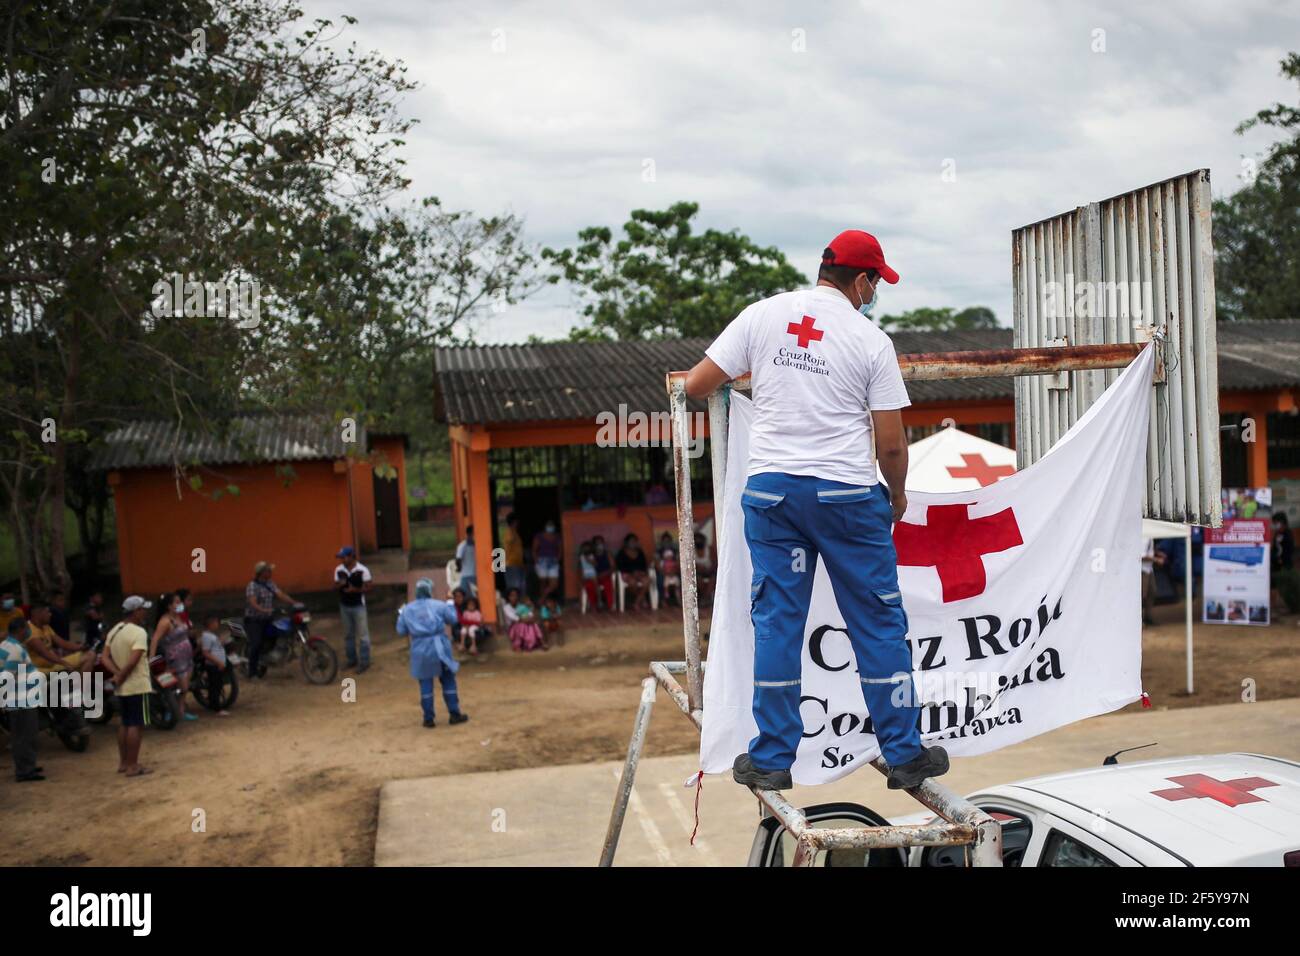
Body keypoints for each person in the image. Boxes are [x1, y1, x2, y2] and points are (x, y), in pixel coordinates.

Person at [685, 227, 948, 792]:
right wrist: (896, 496)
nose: (875, 292)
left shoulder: (763, 314)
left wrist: (763, 371)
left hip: (772, 495)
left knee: (778, 623)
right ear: (859, 280)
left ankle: (773, 758)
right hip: (846, 500)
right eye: (875, 281)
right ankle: (903, 755)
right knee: (877, 624)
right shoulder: (870, 339)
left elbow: (697, 385)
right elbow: (893, 444)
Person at [395, 579, 469, 728]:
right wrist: (449, 604)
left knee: (425, 682)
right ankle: (454, 714)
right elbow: (453, 619)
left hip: (420, 649)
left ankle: (428, 718)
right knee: (448, 679)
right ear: (430, 591)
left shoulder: (407, 609)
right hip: (439, 646)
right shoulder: (439, 605)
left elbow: (401, 631)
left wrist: (401, 615)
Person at [103, 596, 153, 776]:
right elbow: (134, 660)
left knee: (124, 723)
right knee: (136, 725)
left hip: (122, 687)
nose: (145, 612)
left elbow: (104, 657)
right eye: (143, 609)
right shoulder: (139, 633)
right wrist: (122, 675)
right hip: (137, 684)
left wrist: (116, 674)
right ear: (136, 611)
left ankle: (124, 762)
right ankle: (133, 765)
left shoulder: (114, 630)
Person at [1, 617, 44, 782]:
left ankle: (27, 765)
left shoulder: (5, 645)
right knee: (26, 736)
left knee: (21, 736)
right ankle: (25, 771)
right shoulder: (16, 650)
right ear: (20, 630)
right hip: (21, 699)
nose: (28, 632)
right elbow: (8, 676)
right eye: (26, 628)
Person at [244, 561, 295, 680]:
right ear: (261, 573)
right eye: (268, 571)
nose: (271, 572)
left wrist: (294, 602)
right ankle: (252, 673)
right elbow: (252, 602)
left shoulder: (270, 583)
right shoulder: (252, 585)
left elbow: (280, 594)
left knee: (282, 632)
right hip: (254, 620)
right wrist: (263, 609)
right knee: (256, 644)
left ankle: (275, 656)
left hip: (268, 618)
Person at [151, 592, 196, 722]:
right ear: (168, 606)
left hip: (186, 656)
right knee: (179, 687)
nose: (180, 604)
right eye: (176, 602)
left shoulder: (179, 617)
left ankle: (180, 711)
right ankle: (169, 711)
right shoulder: (165, 622)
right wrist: (152, 660)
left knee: (184, 688)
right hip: (175, 658)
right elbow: (155, 640)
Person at [24, 600, 93, 673]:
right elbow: (45, 654)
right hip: (40, 670)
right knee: (73, 666)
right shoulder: (29, 630)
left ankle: (81, 684)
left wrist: (80, 647)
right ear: (38, 614)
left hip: (54, 664)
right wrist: (64, 663)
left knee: (90, 654)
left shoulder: (45, 626)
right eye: (47, 612)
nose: (50, 614)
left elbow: (63, 643)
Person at [334, 546, 373, 674]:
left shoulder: (362, 570)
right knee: (348, 635)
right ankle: (351, 660)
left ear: (351, 556)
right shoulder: (338, 570)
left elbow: (369, 587)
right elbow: (334, 585)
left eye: (344, 557)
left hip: (358, 605)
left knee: (363, 636)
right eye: (341, 557)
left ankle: (364, 661)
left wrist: (355, 590)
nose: (342, 560)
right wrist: (338, 586)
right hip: (344, 605)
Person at [198, 614, 232, 716]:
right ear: (211, 624)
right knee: (215, 686)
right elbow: (206, 652)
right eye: (216, 622)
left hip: (217, 664)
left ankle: (214, 704)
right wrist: (218, 662)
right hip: (214, 664)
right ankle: (216, 707)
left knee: (217, 685)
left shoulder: (211, 636)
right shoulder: (207, 637)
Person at [1271, 512, 1298, 614]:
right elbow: (1275, 548)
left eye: (1276, 523)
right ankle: (1273, 607)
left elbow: (1288, 551)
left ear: (1282, 522)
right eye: (1274, 523)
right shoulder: (1277, 534)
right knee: (1273, 584)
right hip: (1276, 565)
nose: (1275, 525)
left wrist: (1281, 561)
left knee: (1285, 587)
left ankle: (1291, 606)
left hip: (1285, 565)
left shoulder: (1288, 534)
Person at [616, 534, 651, 610]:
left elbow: (644, 564)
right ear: (627, 542)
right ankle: (643, 599)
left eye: (635, 541)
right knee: (632, 583)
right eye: (631, 541)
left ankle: (636, 602)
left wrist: (641, 572)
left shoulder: (640, 552)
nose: (633, 543)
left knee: (647, 581)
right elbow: (620, 566)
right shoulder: (621, 553)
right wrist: (632, 572)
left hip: (639, 573)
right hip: (627, 574)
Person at [532, 521, 561, 600]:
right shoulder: (539, 536)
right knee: (543, 583)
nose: (550, 527)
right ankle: (544, 602)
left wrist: (558, 559)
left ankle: (541, 599)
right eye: (549, 525)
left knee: (554, 584)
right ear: (545, 526)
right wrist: (536, 561)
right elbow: (534, 549)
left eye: (552, 525)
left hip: (553, 561)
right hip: (541, 561)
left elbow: (559, 549)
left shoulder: (556, 536)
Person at [502, 512, 528, 595]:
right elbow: (507, 547)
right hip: (511, 563)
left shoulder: (514, 532)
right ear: (514, 522)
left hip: (517, 563)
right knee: (514, 587)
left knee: (520, 585)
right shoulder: (510, 533)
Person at [591, 537, 615, 610]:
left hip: (606, 574)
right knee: (590, 584)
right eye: (597, 543)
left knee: (608, 583)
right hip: (594, 576)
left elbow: (613, 567)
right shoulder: (591, 555)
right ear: (594, 545)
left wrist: (605, 573)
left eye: (601, 543)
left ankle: (610, 604)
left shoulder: (607, 553)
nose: (599, 545)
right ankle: (595, 604)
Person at [657, 532, 681, 607]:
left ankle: (679, 600)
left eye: (668, 541)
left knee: (682, 579)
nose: (666, 543)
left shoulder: (676, 552)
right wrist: (666, 573)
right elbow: (658, 566)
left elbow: (679, 564)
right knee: (660, 579)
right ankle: (663, 600)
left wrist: (674, 572)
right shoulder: (658, 552)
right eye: (665, 541)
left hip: (674, 572)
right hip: (663, 572)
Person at [455, 526, 477, 595]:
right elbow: (458, 559)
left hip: (475, 575)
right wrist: (459, 568)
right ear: (469, 534)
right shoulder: (462, 546)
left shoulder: (476, 545)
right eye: (474, 533)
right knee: (464, 595)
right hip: (466, 576)